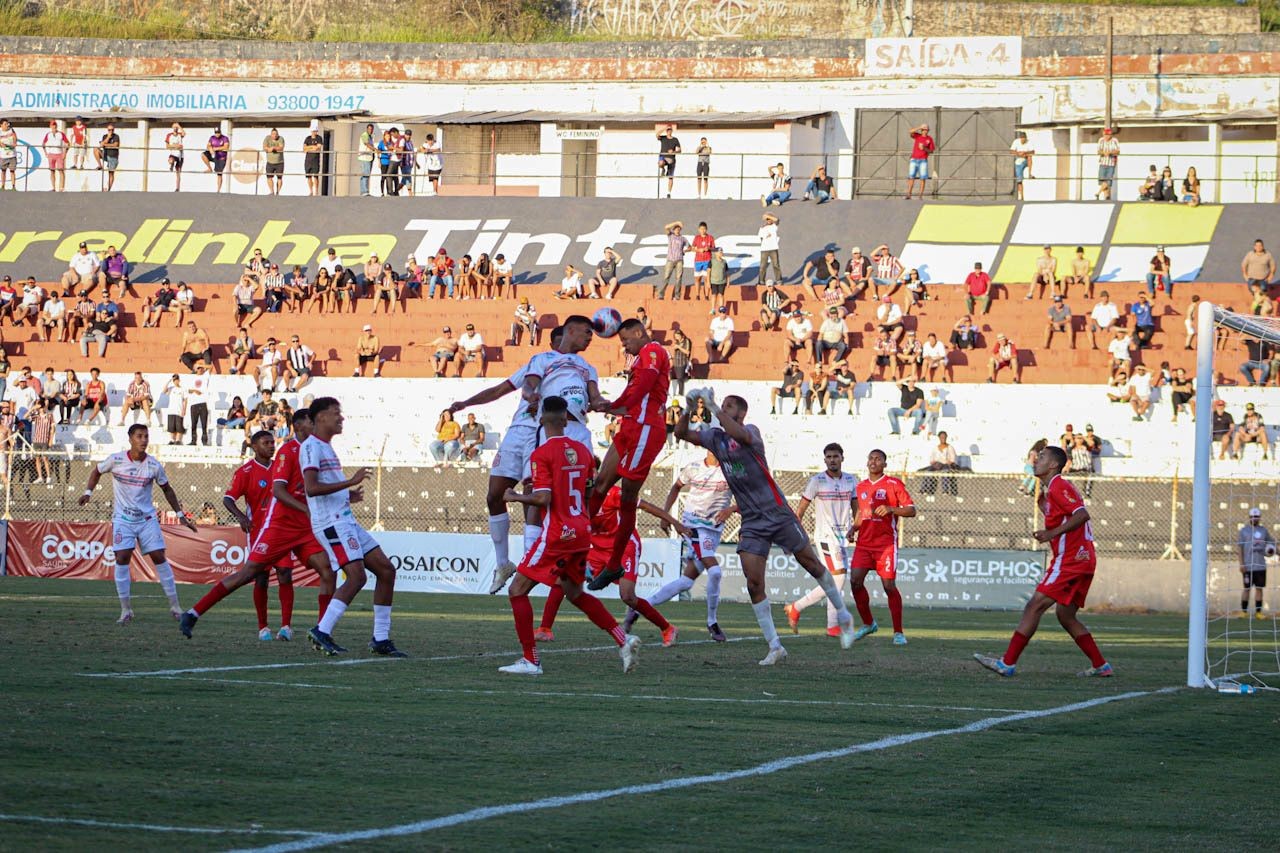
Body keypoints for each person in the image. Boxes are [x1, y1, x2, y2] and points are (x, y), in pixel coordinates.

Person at [674, 392, 855, 664]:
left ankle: (843, 614)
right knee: (754, 582)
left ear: (741, 413)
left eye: (729, 406)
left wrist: (712, 407)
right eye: (722, 405)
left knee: (812, 564)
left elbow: (740, 435)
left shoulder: (751, 431)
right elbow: (680, 433)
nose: (723, 408)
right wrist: (689, 408)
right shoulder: (715, 438)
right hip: (752, 520)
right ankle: (775, 646)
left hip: (777, 511)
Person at [449, 319, 603, 595]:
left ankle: (529, 565)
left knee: (535, 492)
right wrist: (467, 403)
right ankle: (503, 564)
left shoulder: (581, 370)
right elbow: (502, 389)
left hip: (543, 432)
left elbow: (588, 400)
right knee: (494, 495)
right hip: (518, 431)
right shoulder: (539, 361)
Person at [498, 396, 640, 675]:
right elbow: (588, 492)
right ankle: (623, 640)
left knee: (517, 590)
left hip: (556, 534)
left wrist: (514, 496)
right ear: (566, 420)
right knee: (574, 593)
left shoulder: (541, 454)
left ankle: (531, 660)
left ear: (541, 420)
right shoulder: (583, 452)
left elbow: (543, 498)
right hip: (581, 531)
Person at [181, 409, 337, 642]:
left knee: (326, 571)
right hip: (279, 526)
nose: (315, 425)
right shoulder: (287, 451)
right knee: (250, 574)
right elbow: (279, 491)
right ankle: (194, 613)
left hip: (304, 527)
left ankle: (321, 632)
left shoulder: (316, 449)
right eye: (311, 421)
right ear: (298, 425)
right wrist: (305, 508)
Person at [975, 445, 1113, 678]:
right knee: (1065, 616)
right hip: (1083, 558)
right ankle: (1101, 665)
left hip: (1070, 560)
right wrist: (1046, 509)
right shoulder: (1054, 490)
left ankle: (1007, 663)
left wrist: (1051, 533)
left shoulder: (1059, 485)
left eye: (1041, 457)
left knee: (1034, 606)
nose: (1035, 460)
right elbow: (1067, 515)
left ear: (1053, 465)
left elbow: (1082, 515)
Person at [301, 398, 405, 657]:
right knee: (357, 576)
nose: (341, 418)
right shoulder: (311, 447)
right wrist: (350, 481)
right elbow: (311, 488)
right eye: (336, 413)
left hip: (345, 520)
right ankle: (322, 630)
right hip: (331, 523)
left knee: (386, 570)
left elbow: (324, 487)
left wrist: (348, 495)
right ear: (320, 417)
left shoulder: (326, 447)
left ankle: (380, 639)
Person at [538, 481, 687, 646]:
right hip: (597, 549)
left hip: (625, 546)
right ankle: (545, 629)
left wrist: (675, 522)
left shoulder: (613, 494)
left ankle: (667, 628)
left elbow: (646, 506)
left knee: (628, 596)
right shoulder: (574, 499)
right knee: (562, 579)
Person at [79, 425, 196, 623]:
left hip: (146, 519)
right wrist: (88, 492)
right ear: (130, 438)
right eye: (139, 436)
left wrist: (180, 514)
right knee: (122, 557)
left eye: (146, 436)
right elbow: (96, 471)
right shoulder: (116, 460)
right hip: (123, 519)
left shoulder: (153, 465)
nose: (143, 440)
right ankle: (126, 610)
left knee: (158, 556)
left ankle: (175, 606)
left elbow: (167, 489)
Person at [584, 320, 670, 589]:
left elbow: (643, 387)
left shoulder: (653, 351)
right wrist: (612, 407)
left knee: (628, 499)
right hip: (631, 426)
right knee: (600, 485)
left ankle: (613, 564)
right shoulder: (640, 358)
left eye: (625, 340)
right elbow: (634, 392)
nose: (624, 346)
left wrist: (613, 406)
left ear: (639, 332)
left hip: (646, 429)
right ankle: (576, 542)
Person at [625, 450, 734, 642]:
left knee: (686, 582)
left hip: (713, 530)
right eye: (710, 445)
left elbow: (748, 495)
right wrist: (666, 515)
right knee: (715, 572)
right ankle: (712, 622)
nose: (714, 448)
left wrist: (731, 509)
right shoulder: (693, 468)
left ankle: (639, 608)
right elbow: (676, 487)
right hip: (694, 526)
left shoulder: (731, 470)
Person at [218, 431, 297, 640]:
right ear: (254, 446)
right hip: (258, 532)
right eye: (266, 443)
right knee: (261, 578)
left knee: (285, 573)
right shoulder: (245, 472)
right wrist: (241, 517)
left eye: (272, 442)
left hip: (282, 530)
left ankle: (286, 627)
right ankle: (263, 628)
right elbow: (228, 499)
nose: (271, 446)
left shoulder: (281, 467)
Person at [785, 443, 858, 638]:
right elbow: (801, 509)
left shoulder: (851, 480)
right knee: (838, 577)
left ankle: (797, 608)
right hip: (825, 536)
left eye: (835, 456)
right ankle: (831, 625)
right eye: (829, 457)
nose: (832, 460)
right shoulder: (817, 481)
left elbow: (856, 506)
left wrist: (855, 527)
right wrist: (795, 531)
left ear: (842, 458)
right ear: (824, 459)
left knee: (835, 579)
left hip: (842, 537)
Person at [847, 449, 916, 645]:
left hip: (885, 544)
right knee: (855, 581)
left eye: (878, 459)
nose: (873, 461)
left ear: (885, 464)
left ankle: (898, 633)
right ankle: (868, 624)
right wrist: (854, 528)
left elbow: (912, 510)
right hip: (864, 543)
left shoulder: (894, 484)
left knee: (888, 586)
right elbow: (862, 513)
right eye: (871, 458)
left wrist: (891, 509)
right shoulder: (860, 486)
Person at [1238, 507, 1273, 618]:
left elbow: (1271, 544)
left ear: (1259, 517)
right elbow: (1240, 548)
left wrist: (1276, 552)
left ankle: (1258, 613)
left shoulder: (1264, 531)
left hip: (1260, 566)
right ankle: (1244, 612)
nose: (1254, 518)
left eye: (1256, 516)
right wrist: (1241, 563)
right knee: (1246, 589)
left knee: (1259, 589)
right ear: (1249, 517)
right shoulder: (1244, 531)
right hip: (1247, 566)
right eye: (1252, 516)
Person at [904, 123, 935, 200]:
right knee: (911, 177)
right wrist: (919, 127)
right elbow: (910, 131)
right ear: (921, 130)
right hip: (914, 159)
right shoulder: (917, 136)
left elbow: (931, 151)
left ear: (928, 130)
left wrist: (924, 148)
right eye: (923, 129)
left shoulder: (930, 139)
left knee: (923, 178)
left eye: (926, 129)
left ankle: (920, 195)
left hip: (923, 160)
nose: (925, 131)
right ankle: (909, 194)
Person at [656, 124, 681, 198]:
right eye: (668, 130)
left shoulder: (675, 139)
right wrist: (664, 128)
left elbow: (680, 150)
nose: (669, 131)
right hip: (663, 157)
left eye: (670, 130)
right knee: (660, 163)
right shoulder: (663, 138)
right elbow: (657, 135)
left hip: (671, 159)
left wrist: (673, 151)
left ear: (672, 131)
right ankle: (663, 169)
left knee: (670, 177)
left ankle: (668, 193)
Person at [1095, 126, 1119, 200]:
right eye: (1105, 135)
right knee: (1102, 181)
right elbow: (1098, 151)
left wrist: (1110, 152)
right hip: (1102, 163)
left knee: (1108, 181)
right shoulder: (1101, 140)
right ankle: (1106, 197)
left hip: (1111, 164)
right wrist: (1103, 152)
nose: (1106, 136)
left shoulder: (1114, 140)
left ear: (1111, 135)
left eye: (1108, 135)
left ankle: (1098, 193)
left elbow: (1118, 151)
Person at [1010, 131, 1033, 199]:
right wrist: (1018, 153)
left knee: (1030, 156)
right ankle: (1021, 196)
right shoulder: (1016, 142)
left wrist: (1025, 153)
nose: (1023, 140)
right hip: (1019, 160)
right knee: (1019, 180)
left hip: (1026, 159)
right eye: (1022, 139)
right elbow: (1011, 151)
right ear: (1020, 138)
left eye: (1024, 139)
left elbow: (1033, 151)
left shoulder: (1029, 142)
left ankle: (1030, 174)